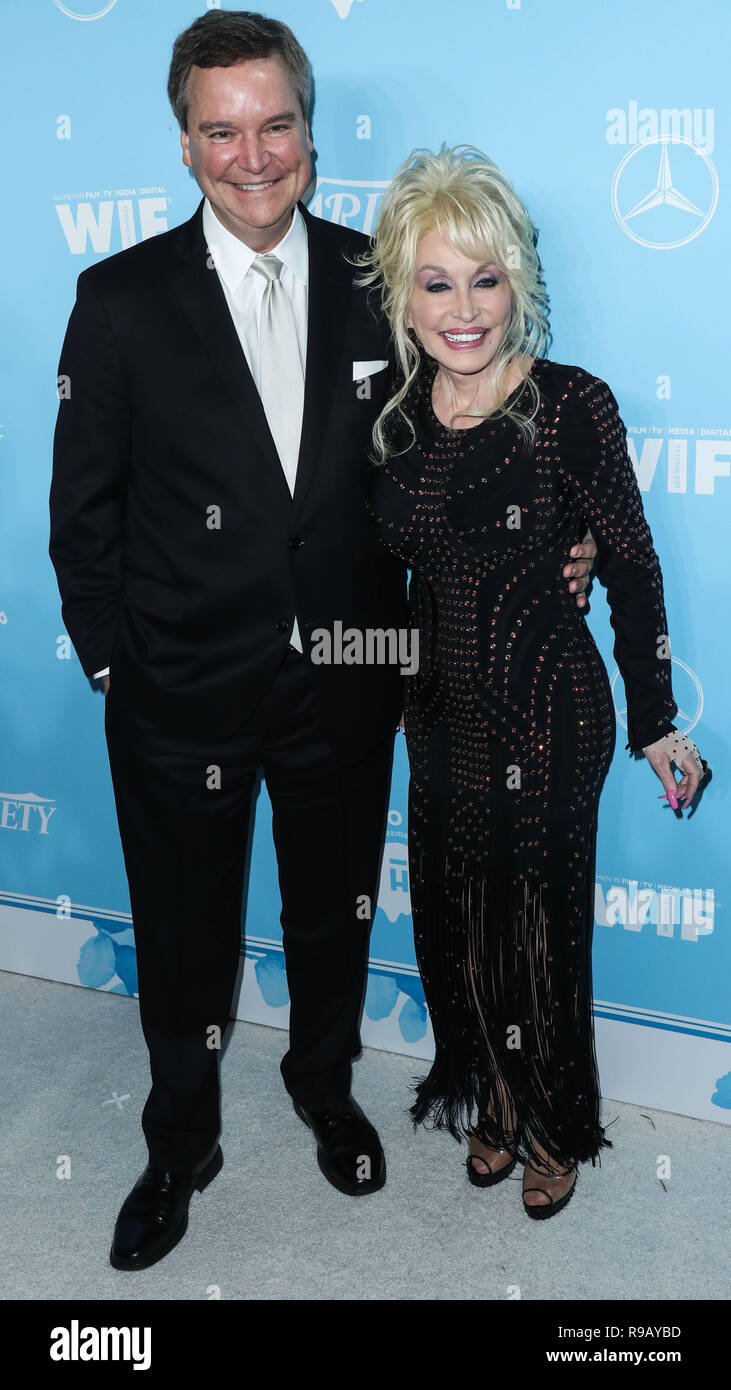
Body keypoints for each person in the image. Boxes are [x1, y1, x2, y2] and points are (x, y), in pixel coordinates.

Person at [48, 10, 593, 1272]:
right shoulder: (118, 301)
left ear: (309, 128)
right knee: (183, 937)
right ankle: (179, 1139)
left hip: (348, 683)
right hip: (178, 689)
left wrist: (555, 546)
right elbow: (84, 519)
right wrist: (120, 665)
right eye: (220, 129)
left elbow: (469, 428)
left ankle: (323, 1086)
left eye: (275, 123)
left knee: (330, 916)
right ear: (183, 142)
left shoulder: (377, 279)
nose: (253, 155)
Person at [364, 144, 708, 1219]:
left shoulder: (568, 405)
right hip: (438, 713)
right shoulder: (389, 413)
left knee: (535, 926)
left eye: (486, 277)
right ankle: (495, 1098)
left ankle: (552, 1122)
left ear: (518, 283)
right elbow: (367, 566)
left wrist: (654, 718)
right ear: (403, 296)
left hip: (548, 710)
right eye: (436, 281)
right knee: (458, 927)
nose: (463, 307)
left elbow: (634, 562)